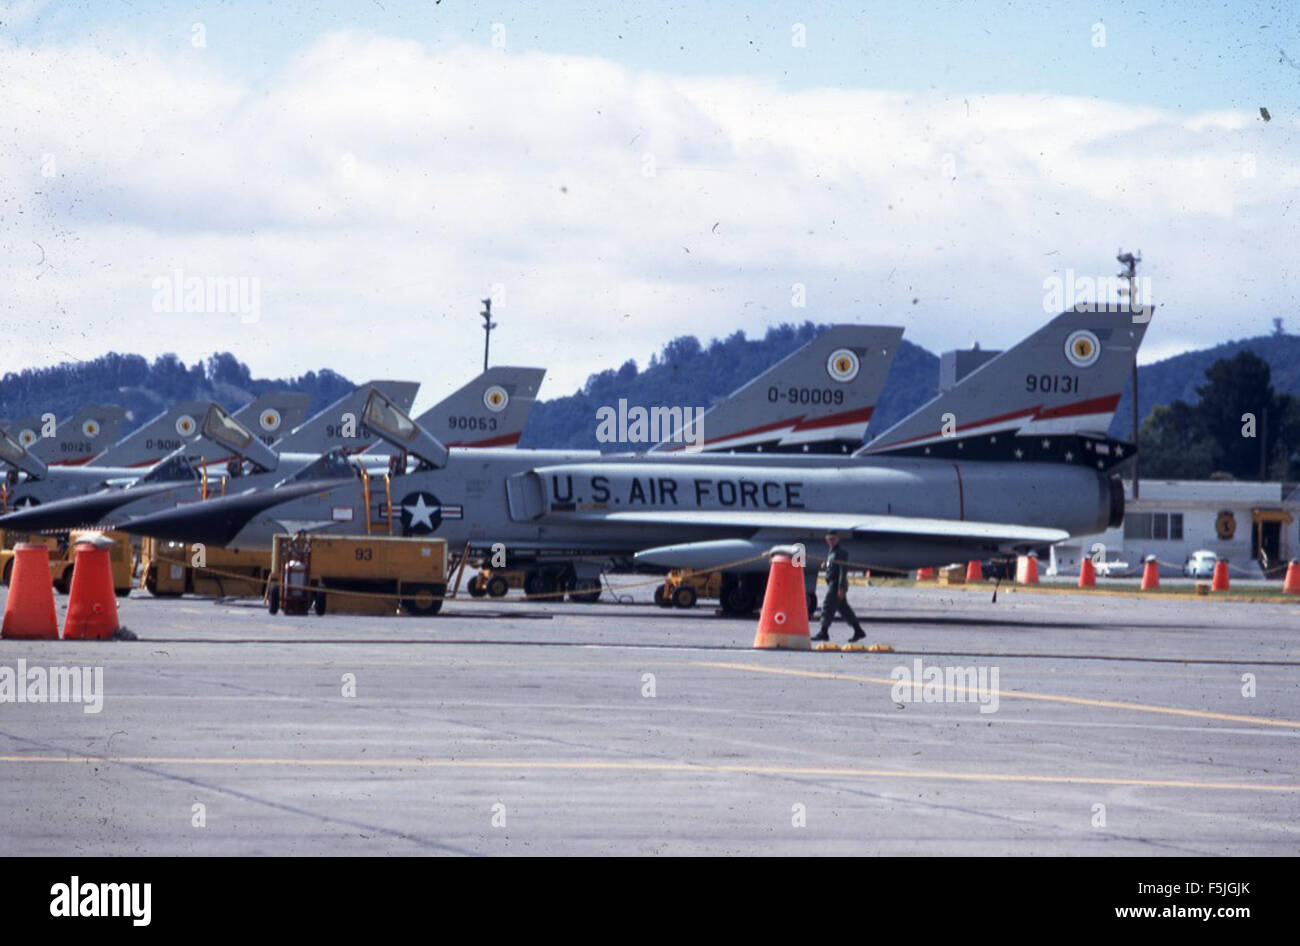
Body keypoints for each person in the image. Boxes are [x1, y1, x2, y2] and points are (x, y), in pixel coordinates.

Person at [812, 531, 864, 643]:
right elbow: (832, 567)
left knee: (827, 605)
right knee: (844, 609)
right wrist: (825, 565)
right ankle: (858, 631)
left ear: (837, 539)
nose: (831, 541)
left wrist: (841, 588)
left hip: (836, 584)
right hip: (832, 583)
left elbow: (842, 571)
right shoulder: (831, 552)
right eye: (829, 539)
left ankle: (823, 632)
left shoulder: (841, 553)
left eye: (833, 539)